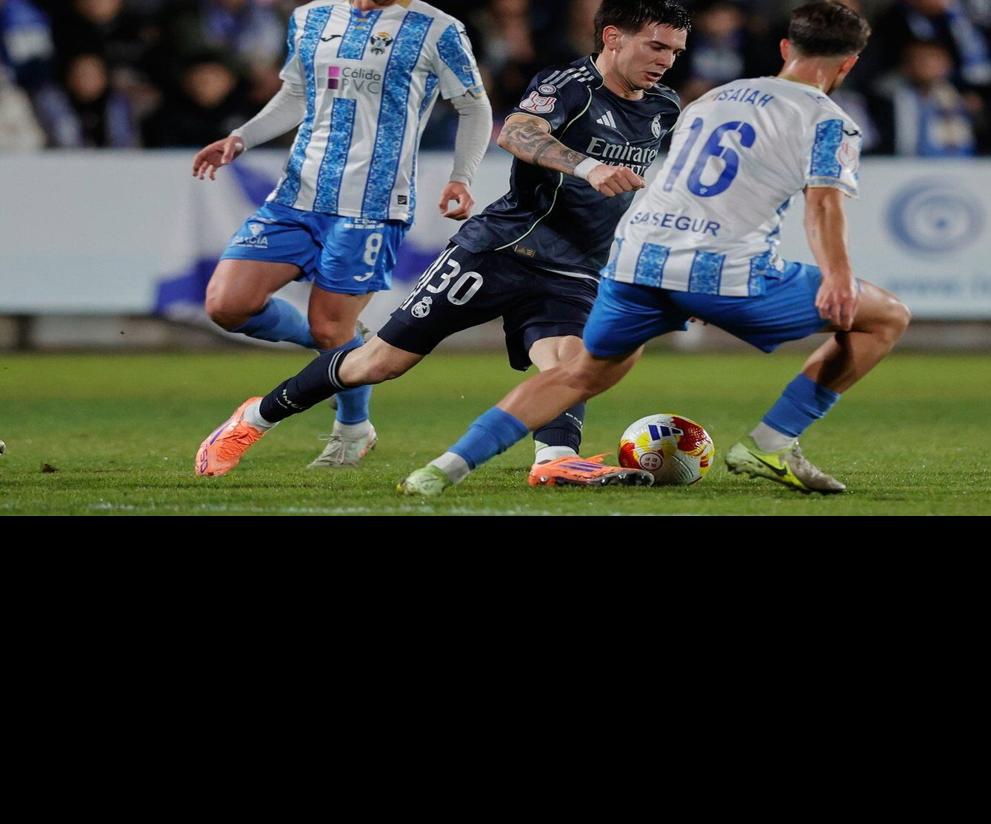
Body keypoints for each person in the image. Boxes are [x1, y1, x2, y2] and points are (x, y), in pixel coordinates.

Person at [397, 0, 910, 498]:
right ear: (849, 63)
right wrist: (837, 278)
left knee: (578, 374)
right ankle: (770, 444)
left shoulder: (717, 98)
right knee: (885, 316)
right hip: (718, 267)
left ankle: (441, 470)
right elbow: (823, 205)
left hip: (637, 258)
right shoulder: (827, 120)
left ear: (784, 48)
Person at [194, 0, 694, 487]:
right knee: (380, 362)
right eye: (656, 47)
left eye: (675, 52)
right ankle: (255, 418)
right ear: (612, 37)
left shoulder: (664, 107)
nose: (666, 61)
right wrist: (589, 167)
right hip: (501, 250)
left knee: (573, 363)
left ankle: (557, 459)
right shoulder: (568, 86)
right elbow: (517, 133)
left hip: (576, 265)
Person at [190, 0, 493, 473]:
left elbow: (474, 106)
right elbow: (296, 94)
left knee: (331, 328)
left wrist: (462, 176)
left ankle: (352, 431)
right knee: (226, 305)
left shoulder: (437, 28)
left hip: (372, 206)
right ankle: (349, 345)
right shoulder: (310, 18)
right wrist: (242, 137)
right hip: (296, 195)